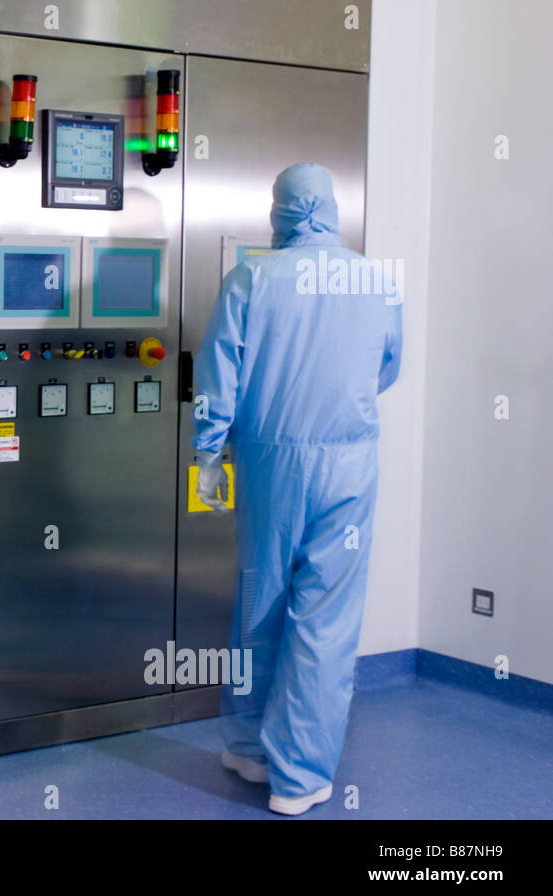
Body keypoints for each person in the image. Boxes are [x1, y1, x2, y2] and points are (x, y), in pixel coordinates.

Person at [192, 163, 402, 815]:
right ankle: (299, 773)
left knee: (260, 601)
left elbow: (218, 372)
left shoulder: (252, 277)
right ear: (334, 209)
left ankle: (251, 747)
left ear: (279, 210)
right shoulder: (376, 280)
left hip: (267, 464)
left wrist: (207, 450)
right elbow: (386, 367)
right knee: (325, 616)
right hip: (347, 464)